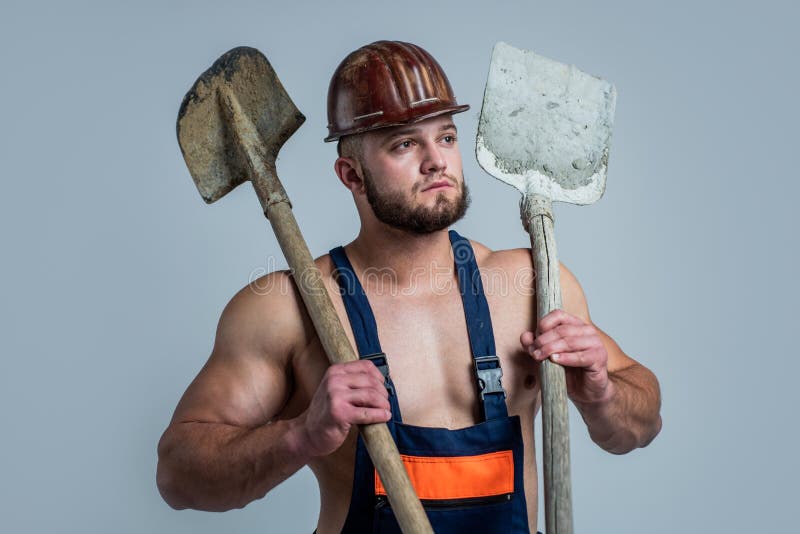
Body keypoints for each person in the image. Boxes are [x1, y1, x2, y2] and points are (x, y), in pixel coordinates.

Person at [156, 40, 662, 533]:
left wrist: (602, 394)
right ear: (351, 176)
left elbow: (641, 425)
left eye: (445, 136)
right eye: (404, 144)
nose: (436, 160)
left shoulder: (532, 286)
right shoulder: (289, 309)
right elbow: (178, 477)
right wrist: (300, 435)